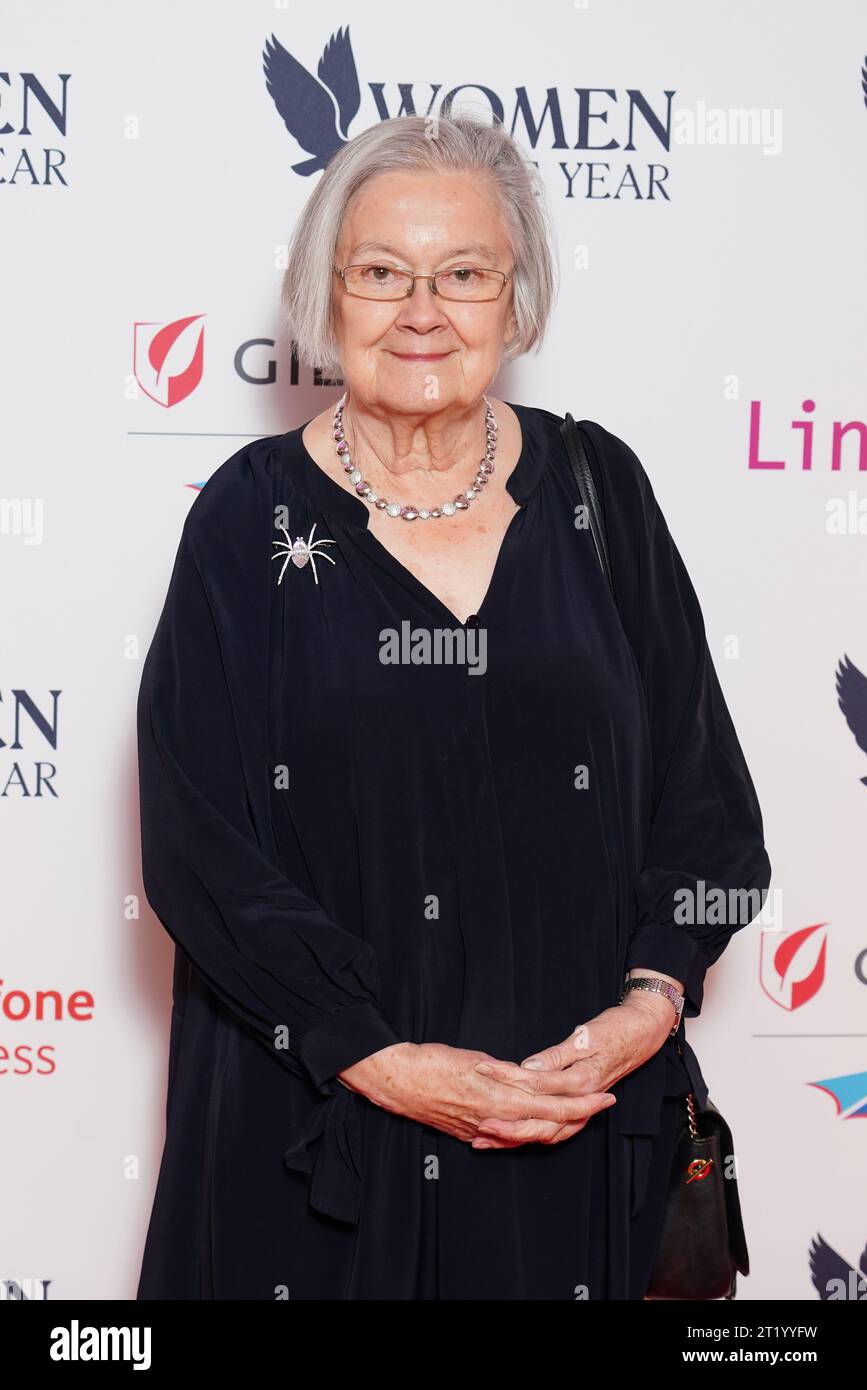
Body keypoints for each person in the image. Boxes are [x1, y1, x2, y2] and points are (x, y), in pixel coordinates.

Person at [135, 113, 771, 1300]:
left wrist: (650, 1001)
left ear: (515, 300)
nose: (421, 308)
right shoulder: (246, 518)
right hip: (318, 1138)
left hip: (572, 1131)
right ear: (325, 296)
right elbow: (197, 845)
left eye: (464, 273)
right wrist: (377, 1055)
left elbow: (709, 807)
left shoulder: (601, 489)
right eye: (381, 272)